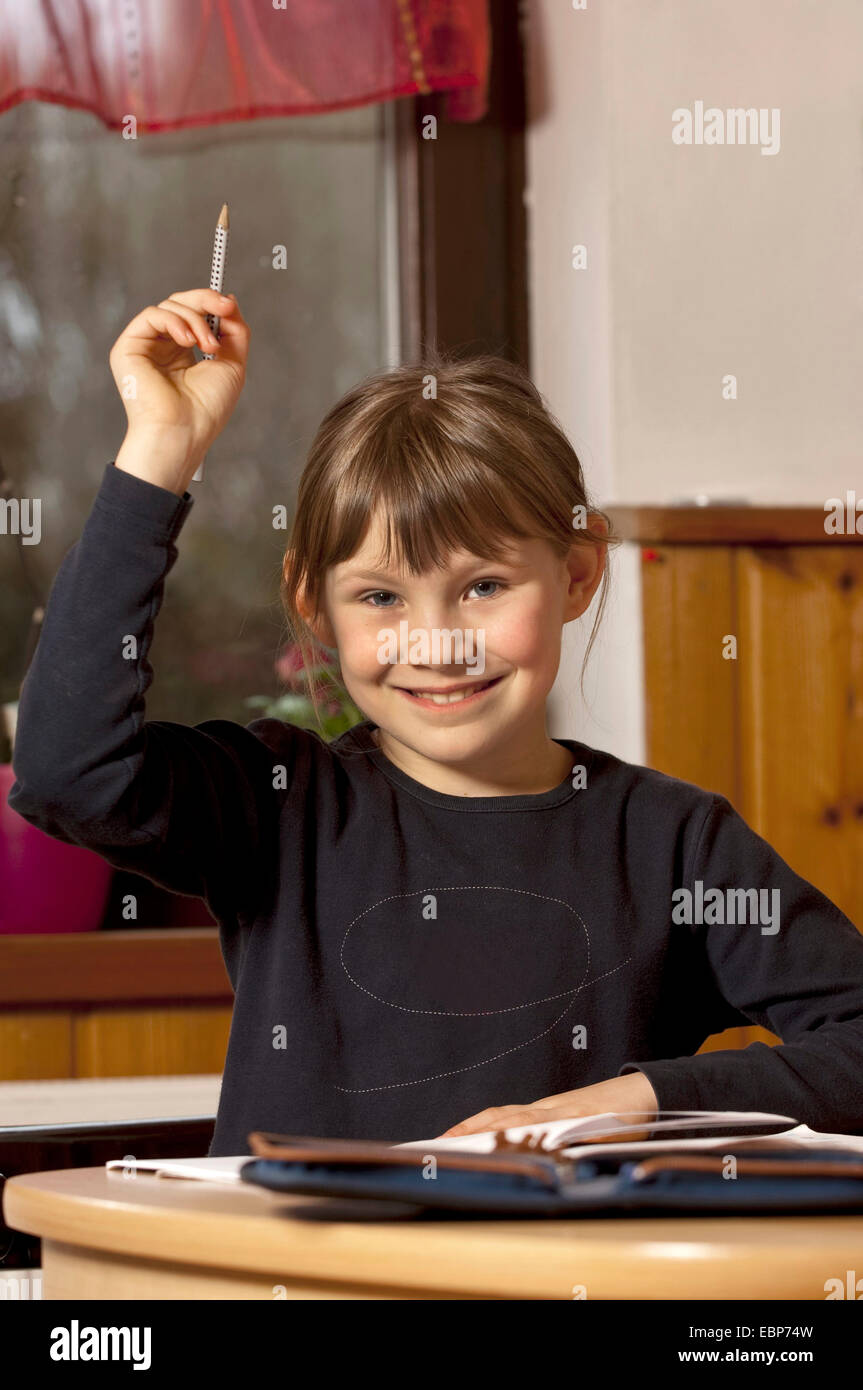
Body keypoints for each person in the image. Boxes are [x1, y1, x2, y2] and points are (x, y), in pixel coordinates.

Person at [8, 289, 863, 1154]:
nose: (435, 642)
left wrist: (642, 1098)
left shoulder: (676, 842)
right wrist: (162, 451)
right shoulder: (277, 804)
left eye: (483, 587)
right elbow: (67, 772)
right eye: (380, 597)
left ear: (574, 574)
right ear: (317, 607)